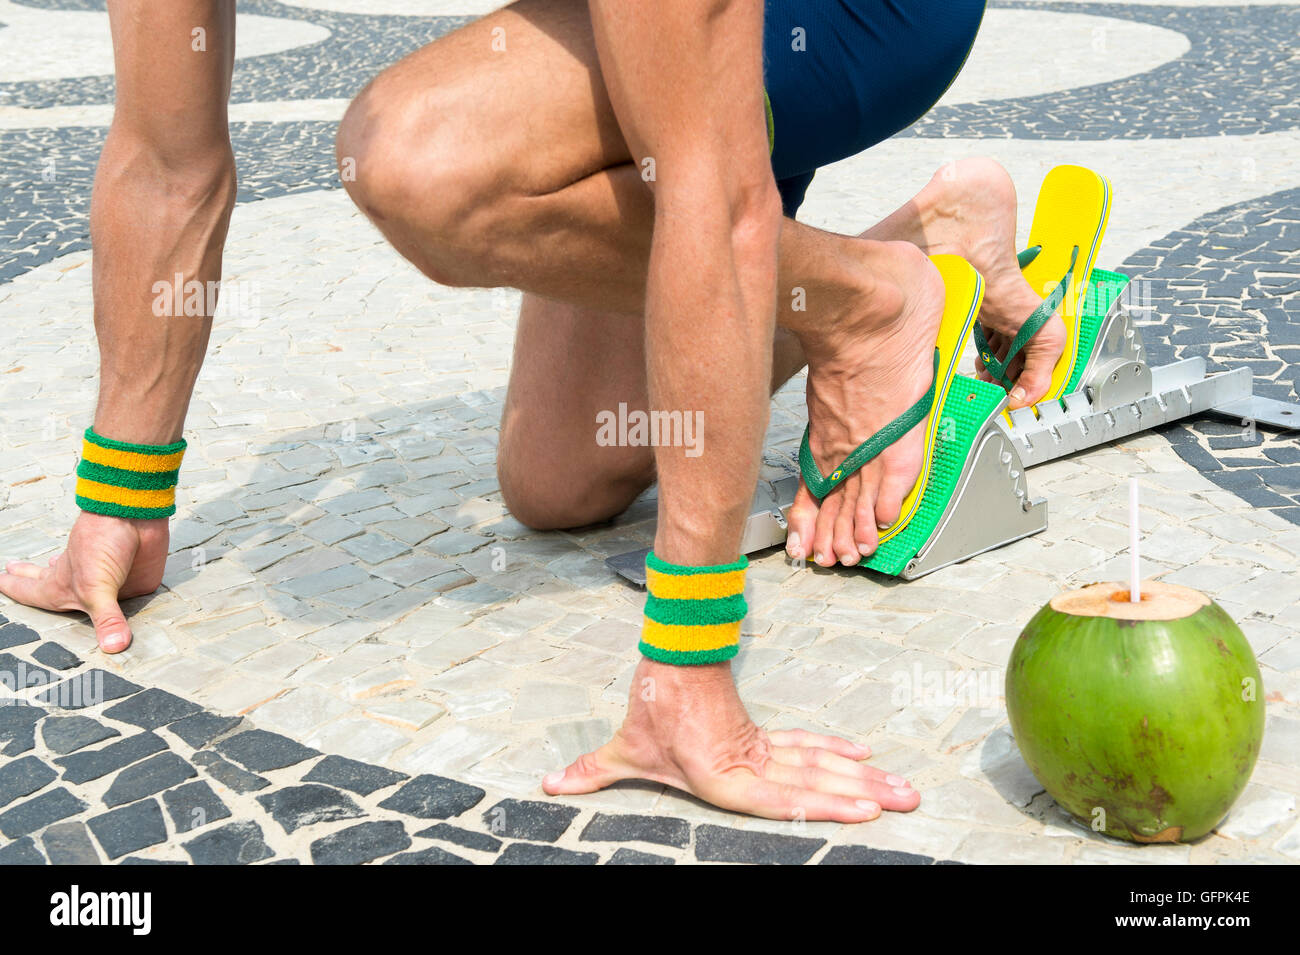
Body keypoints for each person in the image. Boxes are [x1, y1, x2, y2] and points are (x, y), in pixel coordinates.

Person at [1, 0, 1063, 824]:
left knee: (421, 156)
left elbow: (714, 186)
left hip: (850, 19)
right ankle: (909, 255)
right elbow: (162, 151)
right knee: (558, 475)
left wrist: (689, 672)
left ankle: (867, 309)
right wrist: (120, 497)